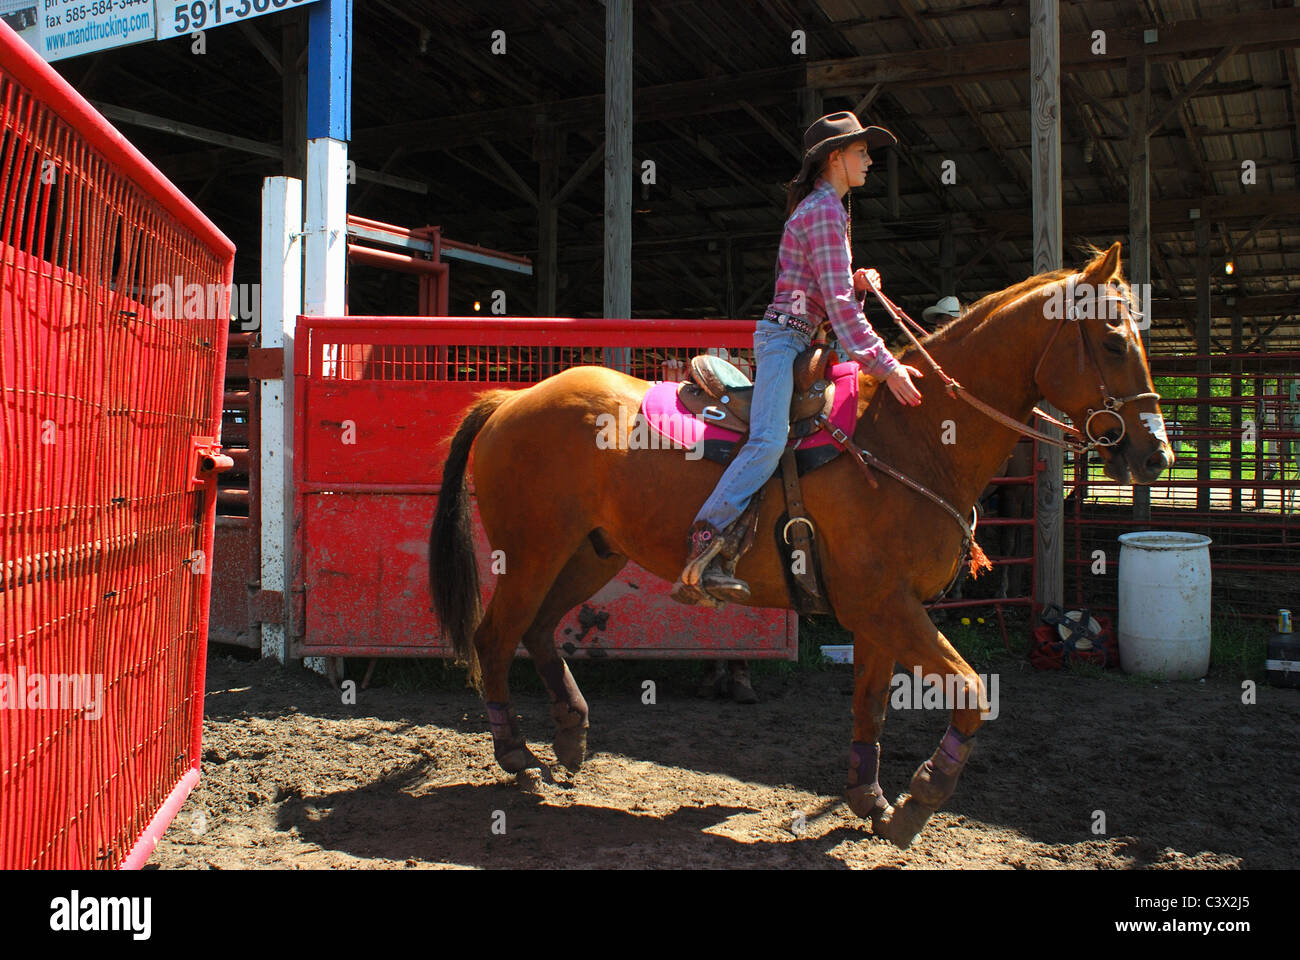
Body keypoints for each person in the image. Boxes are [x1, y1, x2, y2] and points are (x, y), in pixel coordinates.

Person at [673, 111, 925, 604]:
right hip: (784, 340)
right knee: (768, 440)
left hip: (799, 338)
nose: (869, 161)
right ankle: (703, 540)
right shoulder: (825, 211)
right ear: (836, 158)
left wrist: (855, 282)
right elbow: (839, 312)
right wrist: (886, 365)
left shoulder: (827, 209)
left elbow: (824, 291)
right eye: (861, 152)